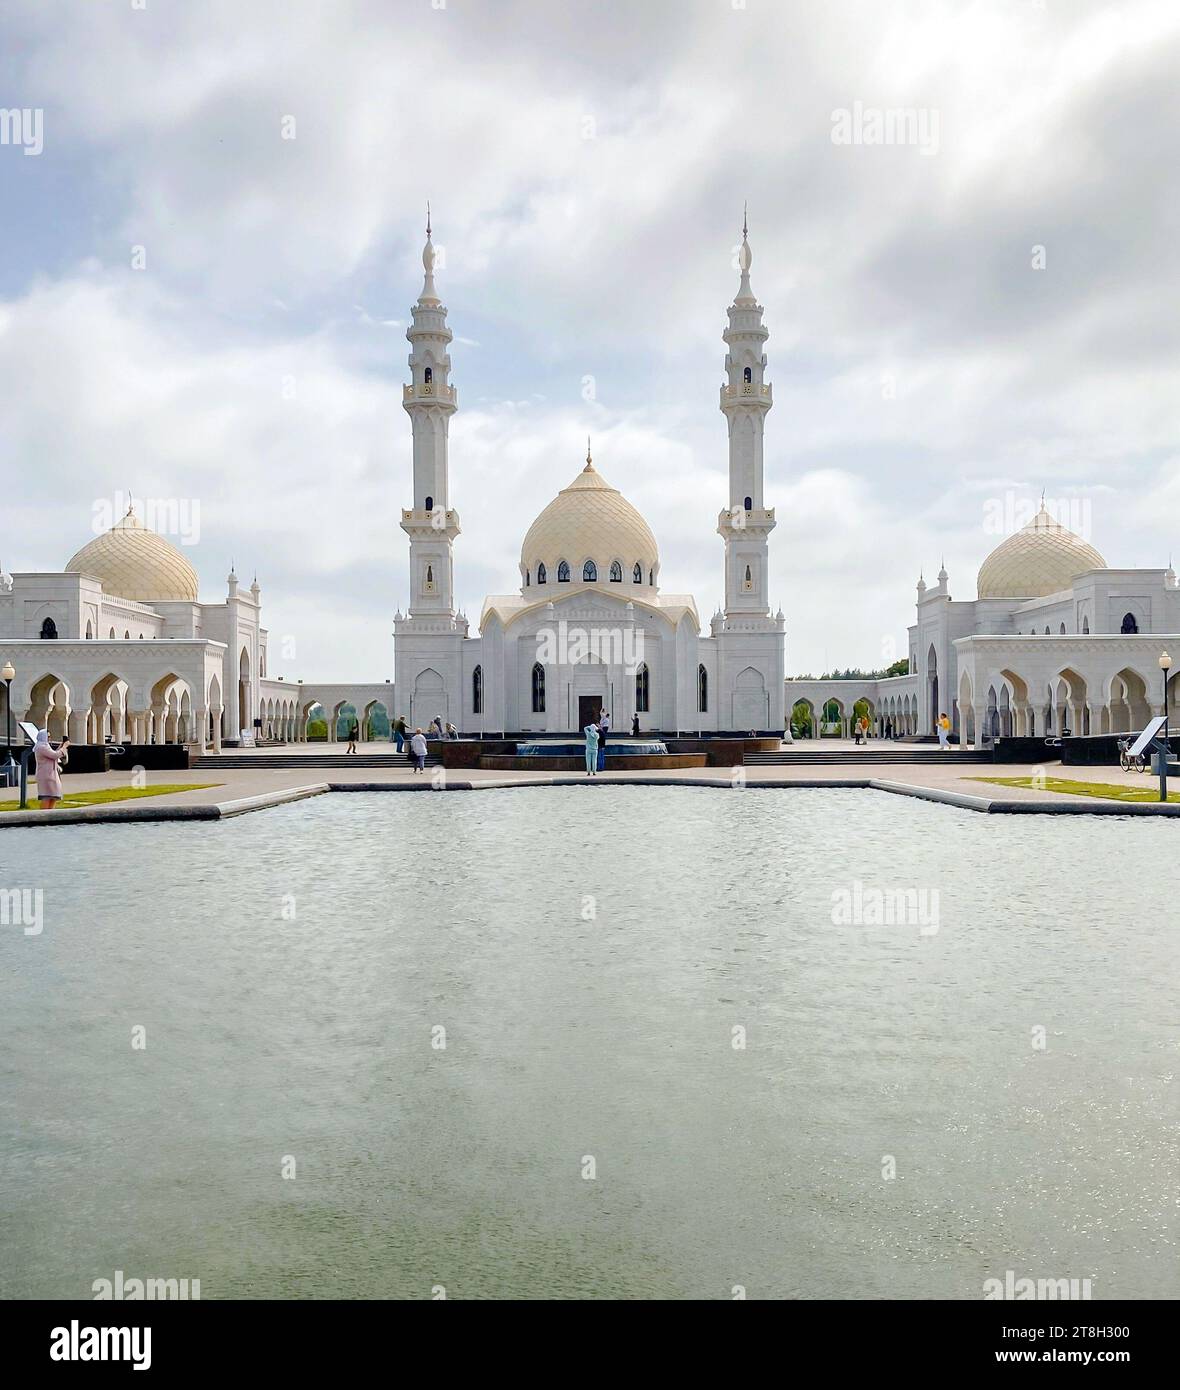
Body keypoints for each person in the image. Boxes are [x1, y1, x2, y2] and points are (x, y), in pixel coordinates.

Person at [34, 729, 69, 809]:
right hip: (45, 776)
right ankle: (42, 817)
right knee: (47, 797)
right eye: (48, 737)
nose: (49, 738)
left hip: (51, 776)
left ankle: (50, 816)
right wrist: (64, 747)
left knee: (53, 797)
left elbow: (53, 754)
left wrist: (61, 746)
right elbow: (55, 755)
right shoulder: (41, 747)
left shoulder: (46, 746)